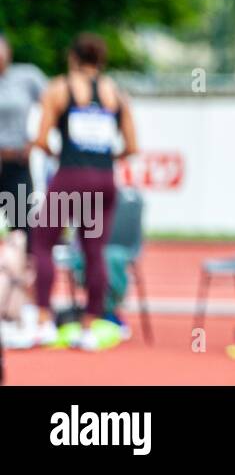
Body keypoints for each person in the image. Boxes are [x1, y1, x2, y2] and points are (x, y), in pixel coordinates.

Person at [29, 33, 138, 351]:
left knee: (42, 241)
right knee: (94, 250)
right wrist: (105, 159)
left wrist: (53, 153)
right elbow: (131, 146)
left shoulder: (60, 88)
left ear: (73, 58)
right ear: (100, 61)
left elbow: (40, 137)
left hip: (71, 176)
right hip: (105, 179)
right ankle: (91, 324)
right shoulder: (115, 94)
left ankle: (43, 319)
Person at [0, 35, 47, 239]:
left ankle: (22, 269)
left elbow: (54, 107)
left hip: (16, 161)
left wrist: (36, 140)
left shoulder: (27, 76)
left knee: (21, 227)